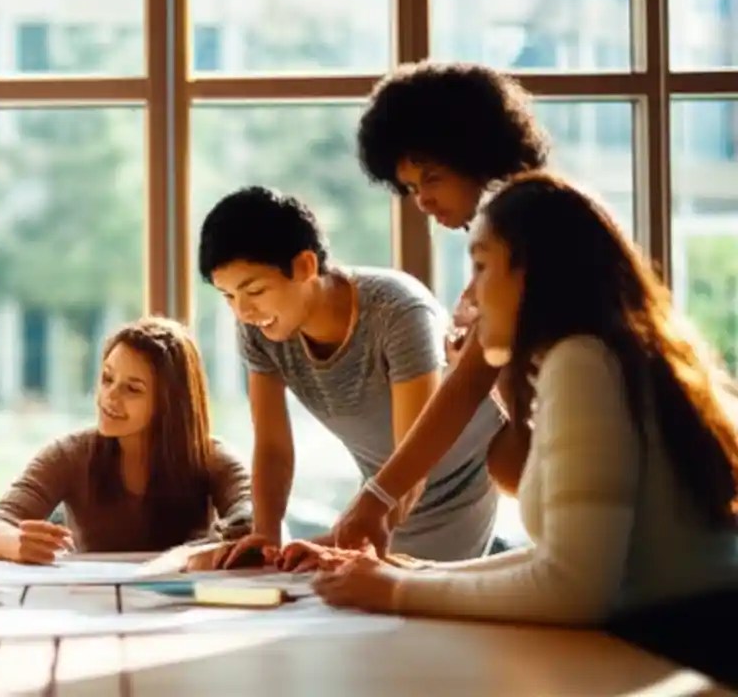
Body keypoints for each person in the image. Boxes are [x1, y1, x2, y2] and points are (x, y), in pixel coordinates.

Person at [312, 172, 738, 687]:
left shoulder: (582, 362)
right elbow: (559, 558)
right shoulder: (600, 352)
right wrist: (411, 575)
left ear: (534, 272)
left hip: (691, 650)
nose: (469, 292)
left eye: (482, 265)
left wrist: (395, 591)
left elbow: (573, 587)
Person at [198, 186, 504, 567]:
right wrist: (267, 534)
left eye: (255, 290)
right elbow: (273, 446)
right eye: (228, 296)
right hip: (378, 491)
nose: (242, 311)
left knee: (418, 603)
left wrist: (342, 546)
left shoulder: (397, 311)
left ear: (306, 266)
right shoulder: (260, 330)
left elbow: (413, 462)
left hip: (451, 484)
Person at [329, 60, 551, 556]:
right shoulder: (524, 221)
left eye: (432, 178)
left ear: (479, 156)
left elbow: (468, 385)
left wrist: (378, 497)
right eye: (409, 188)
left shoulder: (527, 230)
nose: (422, 201)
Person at [0, 317, 253, 564]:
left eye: (132, 389)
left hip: (186, 610)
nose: (110, 397)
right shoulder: (70, 454)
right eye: (107, 379)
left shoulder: (212, 457)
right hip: (91, 610)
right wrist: (15, 543)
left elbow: (256, 519)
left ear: (171, 403)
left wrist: (223, 540)